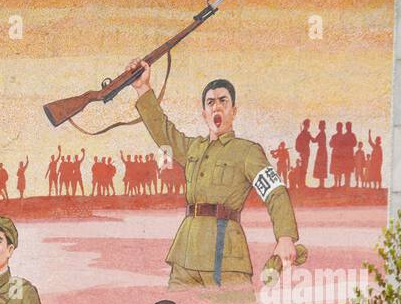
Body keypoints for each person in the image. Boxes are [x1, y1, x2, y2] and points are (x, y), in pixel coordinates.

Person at [128, 60, 299, 290]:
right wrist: (142, 88)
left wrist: (285, 237)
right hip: (185, 257)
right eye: (210, 103)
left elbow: (275, 192)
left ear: (233, 110)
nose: (216, 107)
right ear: (204, 113)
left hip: (226, 258)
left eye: (222, 101)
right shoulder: (192, 148)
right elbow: (163, 131)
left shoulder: (248, 152)